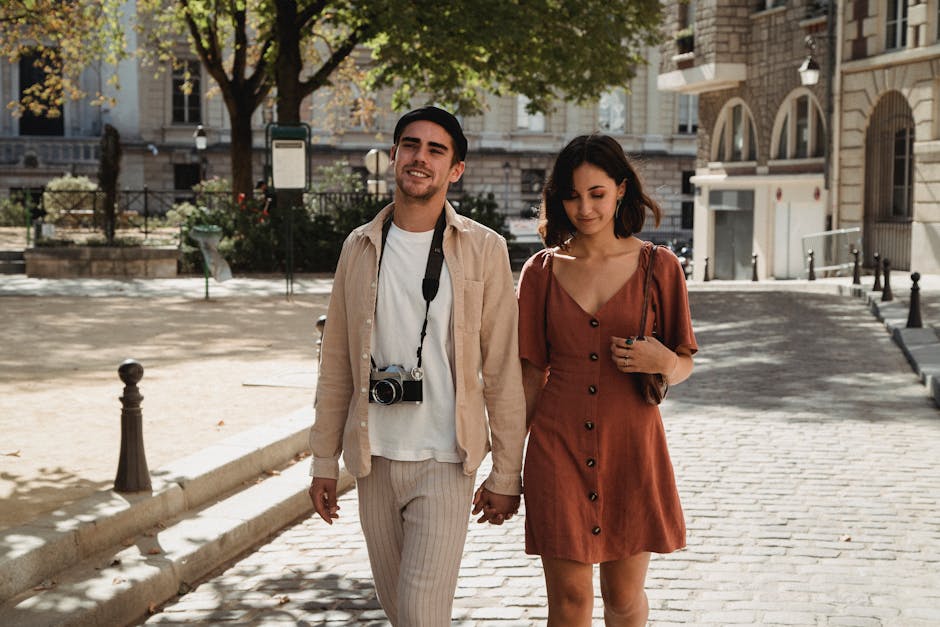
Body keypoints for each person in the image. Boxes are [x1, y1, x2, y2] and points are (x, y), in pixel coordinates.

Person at [307, 106, 526, 626]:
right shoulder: (358, 246)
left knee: (421, 615)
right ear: (393, 155)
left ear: (456, 169)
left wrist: (507, 473)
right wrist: (323, 461)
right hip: (373, 459)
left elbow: (501, 368)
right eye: (410, 145)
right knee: (399, 612)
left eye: (435, 150)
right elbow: (335, 363)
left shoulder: (484, 249)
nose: (419, 158)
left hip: (445, 459)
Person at [517, 134, 697, 626]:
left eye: (596, 194)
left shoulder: (660, 267)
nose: (584, 208)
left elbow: (684, 363)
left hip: (632, 447)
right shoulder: (540, 272)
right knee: (569, 601)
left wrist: (663, 360)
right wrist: (507, 468)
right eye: (572, 196)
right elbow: (529, 376)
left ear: (620, 189)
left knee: (622, 596)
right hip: (557, 446)